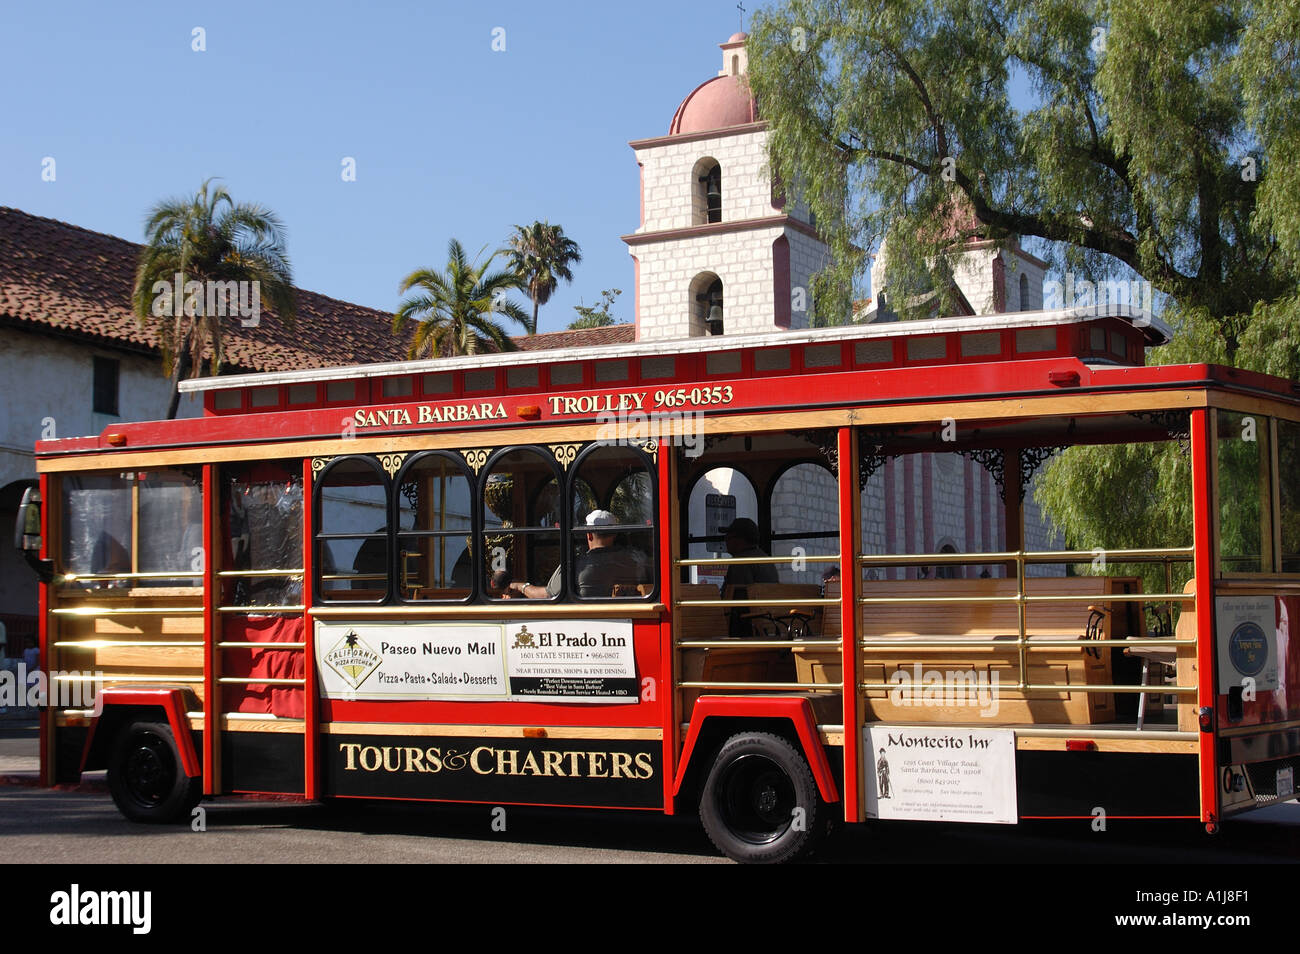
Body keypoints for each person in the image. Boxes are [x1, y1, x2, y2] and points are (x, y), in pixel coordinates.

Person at [510, 510, 646, 598]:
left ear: (589, 535)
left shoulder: (577, 564)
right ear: (614, 534)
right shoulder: (633, 561)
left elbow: (547, 596)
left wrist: (520, 586)